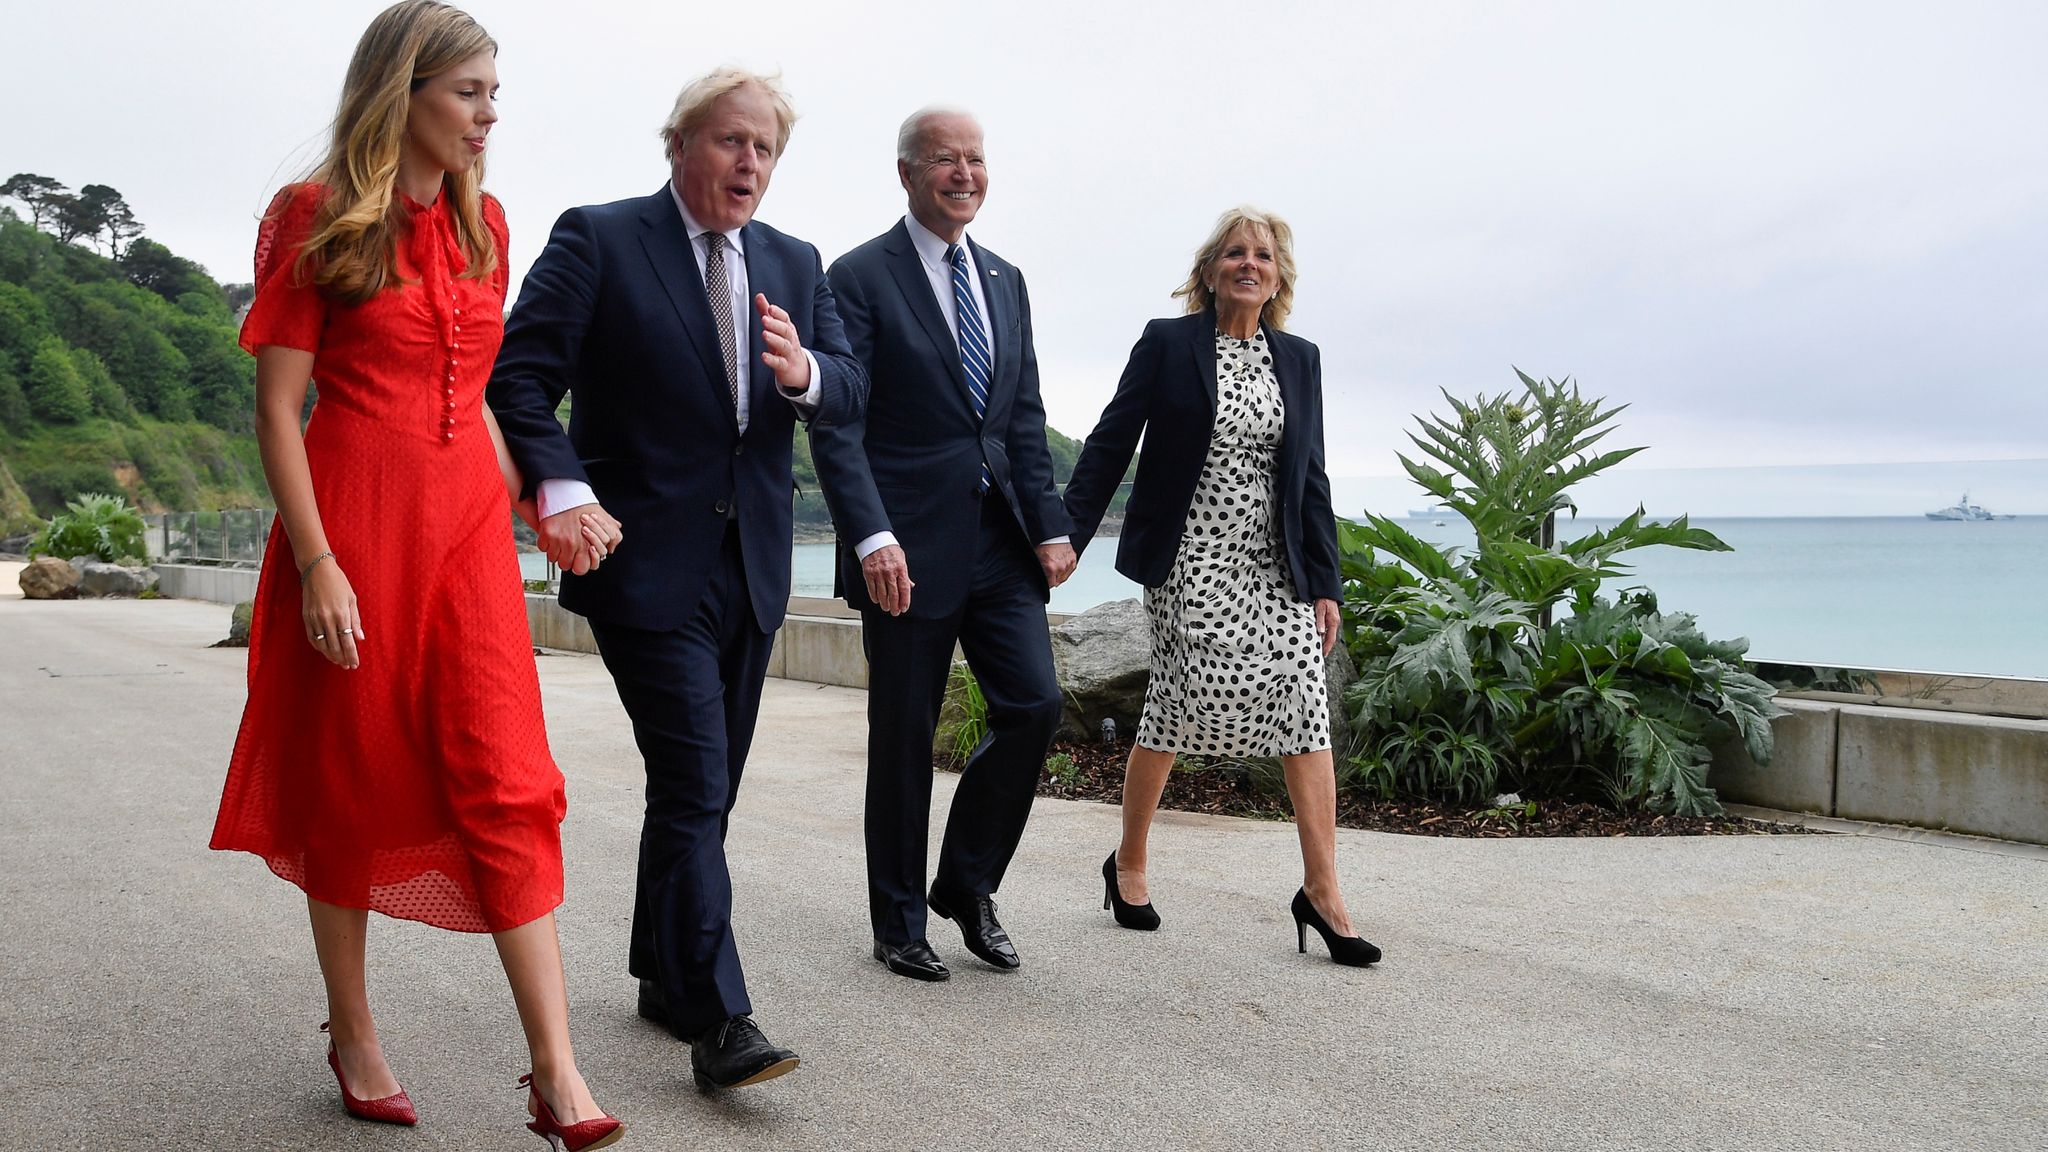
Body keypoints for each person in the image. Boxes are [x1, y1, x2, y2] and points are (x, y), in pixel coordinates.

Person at [208, 3, 624, 1147]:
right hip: (351, 534)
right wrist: (316, 564)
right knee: (349, 778)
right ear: (403, 93)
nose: (489, 116)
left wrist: (538, 506)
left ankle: (556, 1075)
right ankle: (353, 1033)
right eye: (468, 92)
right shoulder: (312, 217)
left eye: (495, 94)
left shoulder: (485, 223)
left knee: (510, 779)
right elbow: (279, 411)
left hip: (465, 545)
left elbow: (473, 395)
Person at [487, 67, 866, 1090]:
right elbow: (519, 379)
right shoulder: (601, 238)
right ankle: (720, 1020)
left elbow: (849, 386)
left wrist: (806, 375)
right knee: (697, 780)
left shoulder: (794, 261)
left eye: (765, 148)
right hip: (639, 560)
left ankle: (663, 971)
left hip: (753, 568)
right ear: (679, 143)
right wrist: (563, 489)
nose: (750, 162)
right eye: (731, 140)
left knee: (702, 788)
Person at [1062, 206, 1380, 967]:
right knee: (1182, 702)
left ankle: (1323, 891)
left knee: (1305, 700)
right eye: (1234, 253)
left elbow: (1310, 476)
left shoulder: (1299, 359)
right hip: (1190, 560)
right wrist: (1065, 538)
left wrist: (1326, 582)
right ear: (1209, 272)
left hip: (1276, 567)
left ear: (1278, 277)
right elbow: (1111, 441)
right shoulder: (1169, 344)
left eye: (1262, 256)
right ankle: (1129, 859)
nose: (1248, 264)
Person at [811, 108, 1074, 982]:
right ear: (907, 173)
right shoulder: (857, 276)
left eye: (976, 159)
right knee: (904, 738)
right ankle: (897, 923)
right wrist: (870, 535)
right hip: (904, 550)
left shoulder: (1004, 278)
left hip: (1000, 541)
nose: (965, 174)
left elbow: (1021, 414)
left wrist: (1050, 524)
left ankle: (965, 884)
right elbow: (838, 423)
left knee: (1034, 705)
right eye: (945, 159)